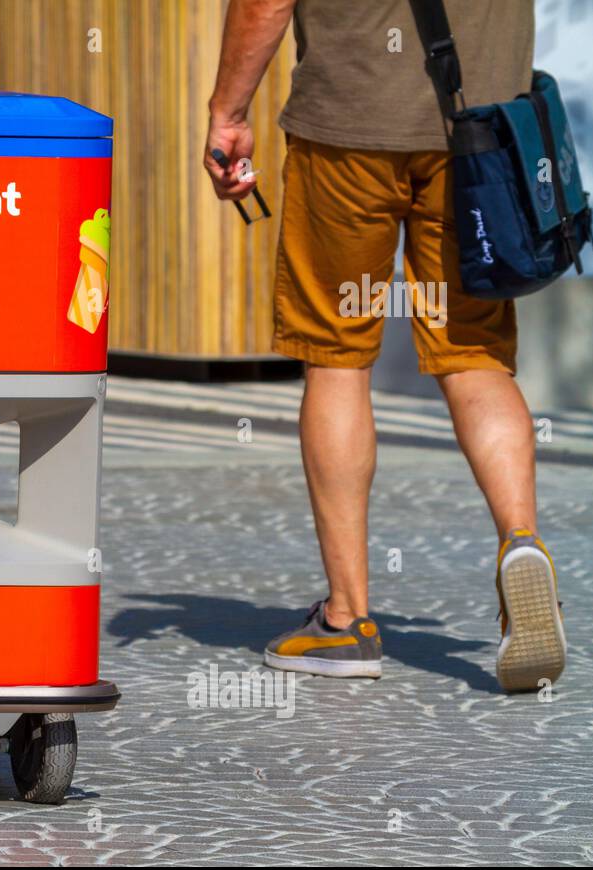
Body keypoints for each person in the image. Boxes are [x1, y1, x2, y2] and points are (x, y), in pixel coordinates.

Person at [203, 0, 566, 692]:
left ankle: (346, 621)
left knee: (337, 358)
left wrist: (230, 110)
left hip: (347, 128)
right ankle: (522, 544)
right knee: (473, 354)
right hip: (480, 129)